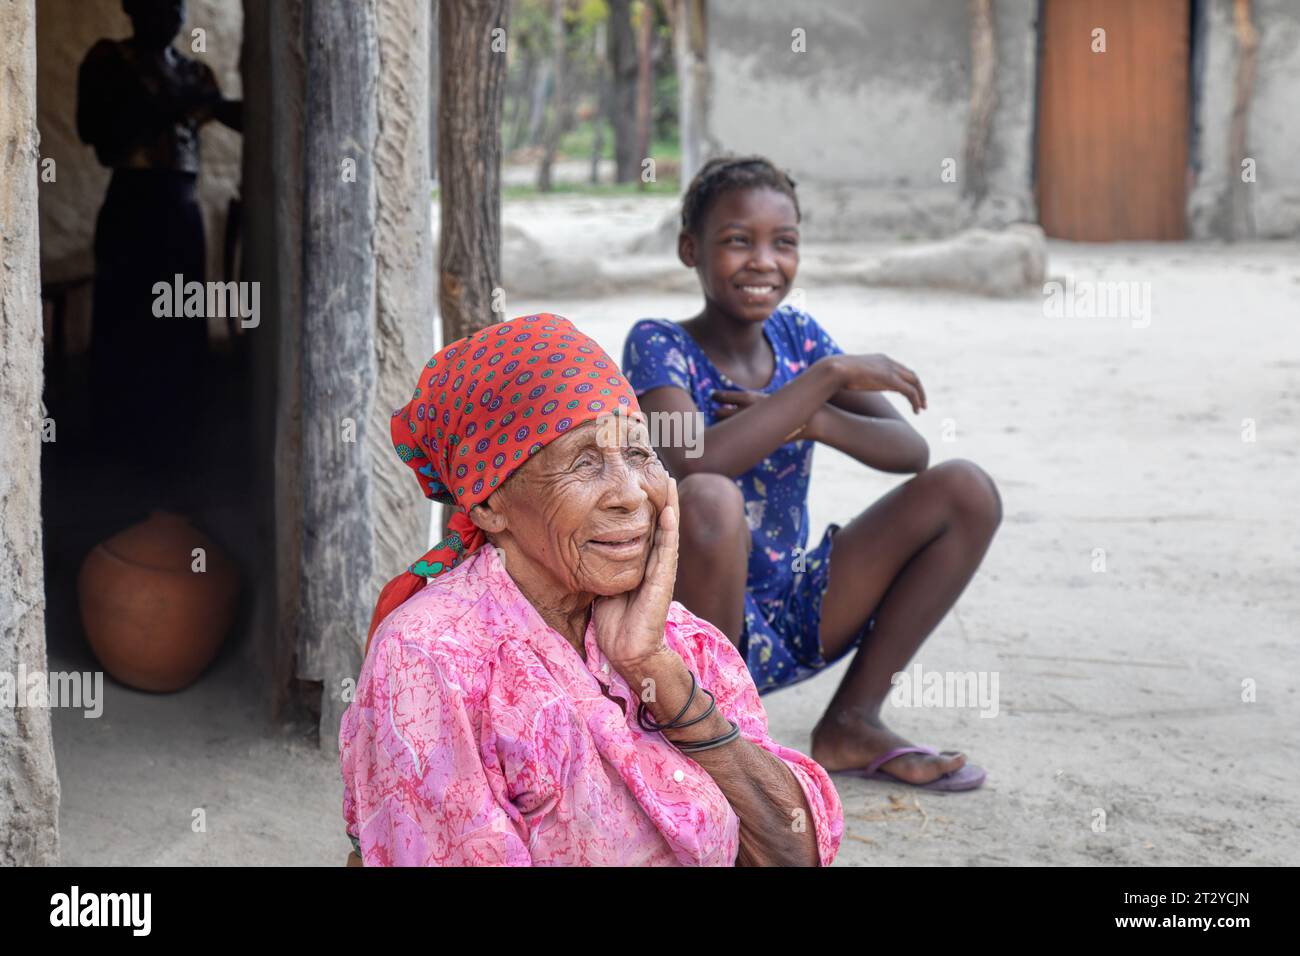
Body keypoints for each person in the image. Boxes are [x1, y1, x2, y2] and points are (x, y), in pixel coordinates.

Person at [338, 314, 843, 866]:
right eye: (584, 462)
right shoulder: (430, 658)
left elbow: (795, 851)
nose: (631, 495)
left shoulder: (676, 637)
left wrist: (653, 669)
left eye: (639, 454)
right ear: (487, 503)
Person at [621, 157, 1002, 791]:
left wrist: (812, 419)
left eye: (784, 242)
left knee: (967, 489)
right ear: (691, 249)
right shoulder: (659, 344)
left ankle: (851, 723)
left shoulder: (797, 336)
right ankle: (711, 743)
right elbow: (695, 459)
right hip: (691, 622)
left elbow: (909, 451)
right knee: (711, 499)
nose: (764, 261)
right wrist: (826, 379)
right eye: (738, 240)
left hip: (793, 610)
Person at [77, 0, 242, 496]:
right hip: (133, 202)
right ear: (130, 7)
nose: (166, 12)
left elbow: (231, 115)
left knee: (177, 320)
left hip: (179, 206)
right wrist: (177, 106)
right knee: (128, 319)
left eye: (175, 3)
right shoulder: (109, 60)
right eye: (153, 2)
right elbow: (96, 133)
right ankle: (122, 445)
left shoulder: (195, 71)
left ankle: (175, 445)